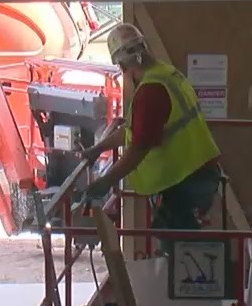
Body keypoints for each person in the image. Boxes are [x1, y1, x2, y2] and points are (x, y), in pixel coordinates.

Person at [83, 22, 223, 247]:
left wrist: (106, 181)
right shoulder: (167, 74)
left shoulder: (150, 92)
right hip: (198, 174)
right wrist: (98, 149)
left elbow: (138, 147)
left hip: (185, 182)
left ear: (121, 65)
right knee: (186, 251)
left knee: (181, 255)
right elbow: (132, 131)